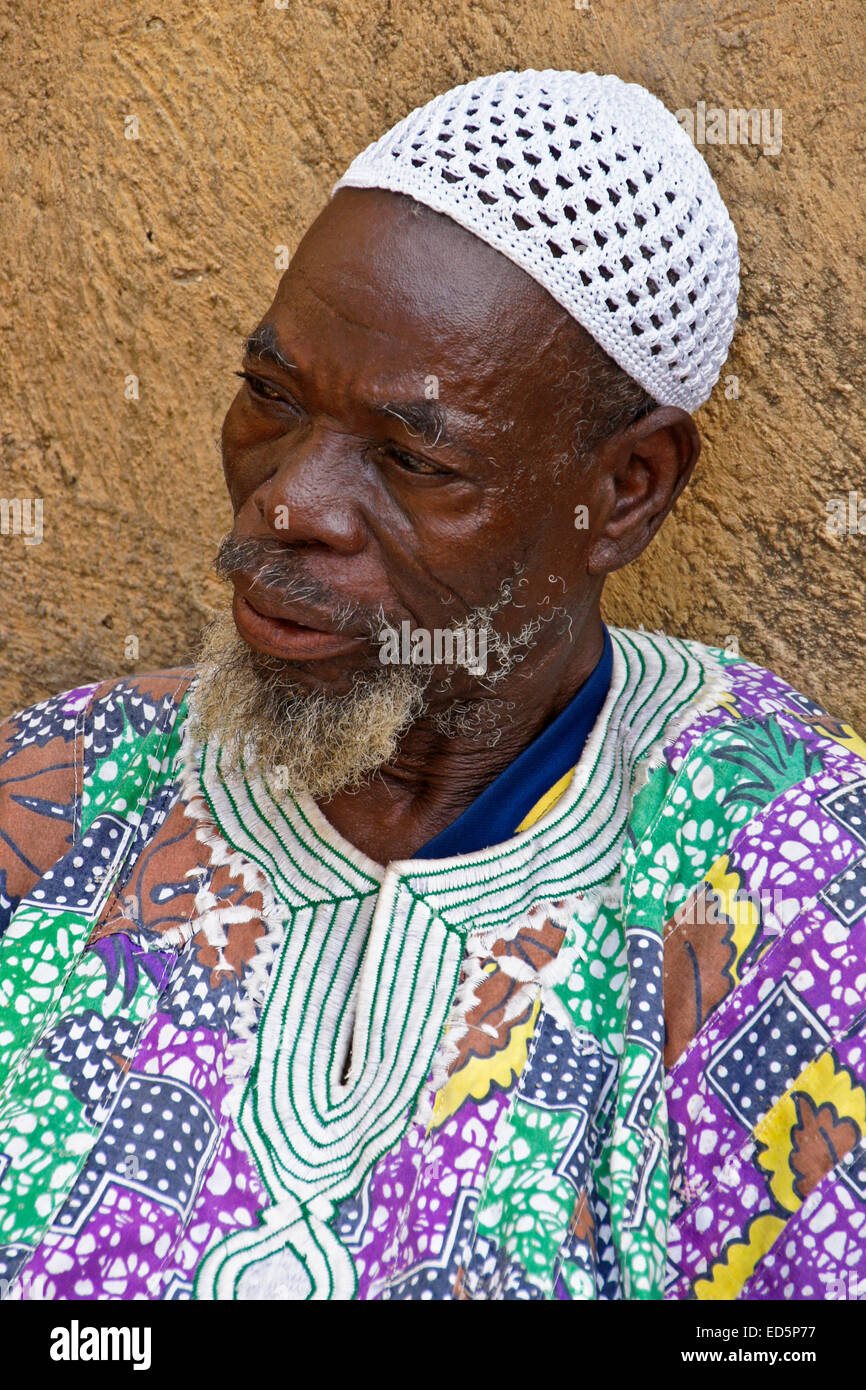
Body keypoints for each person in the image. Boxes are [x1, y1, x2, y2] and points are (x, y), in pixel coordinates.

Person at [1, 69, 864, 1302]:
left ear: (622, 492)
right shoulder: (50, 812)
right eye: (270, 398)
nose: (287, 501)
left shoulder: (787, 874)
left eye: (412, 458)